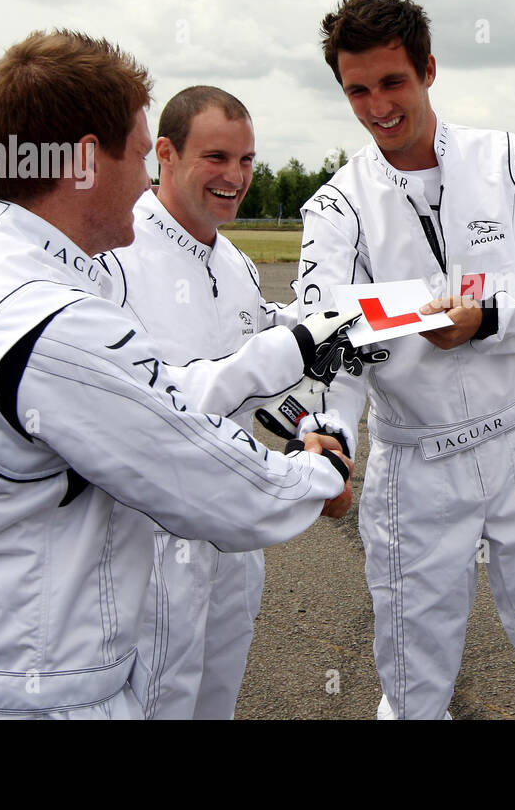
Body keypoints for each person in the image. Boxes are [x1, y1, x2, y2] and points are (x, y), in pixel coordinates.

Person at [0, 30, 359, 719]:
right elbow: (213, 480)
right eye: (137, 156)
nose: (143, 181)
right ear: (82, 162)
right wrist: (324, 468)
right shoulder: (56, 321)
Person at [300, 0, 515, 719]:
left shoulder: (511, 161)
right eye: (358, 90)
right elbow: (331, 350)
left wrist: (488, 321)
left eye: (392, 82)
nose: (378, 107)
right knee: (413, 688)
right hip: (417, 467)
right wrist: (332, 435)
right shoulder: (335, 207)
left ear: (428, 69)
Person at [100, 85, 353, 719]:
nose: (235, 177)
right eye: (216, 157)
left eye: (246, 160)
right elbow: (150, 400)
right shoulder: (117, 257)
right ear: (165, 152)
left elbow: (267, 373)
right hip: (156, 535)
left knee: (216, 701)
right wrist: (287, 345)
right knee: (159, 703)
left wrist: (309, 436)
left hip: (234, 531)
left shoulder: (234, 260)